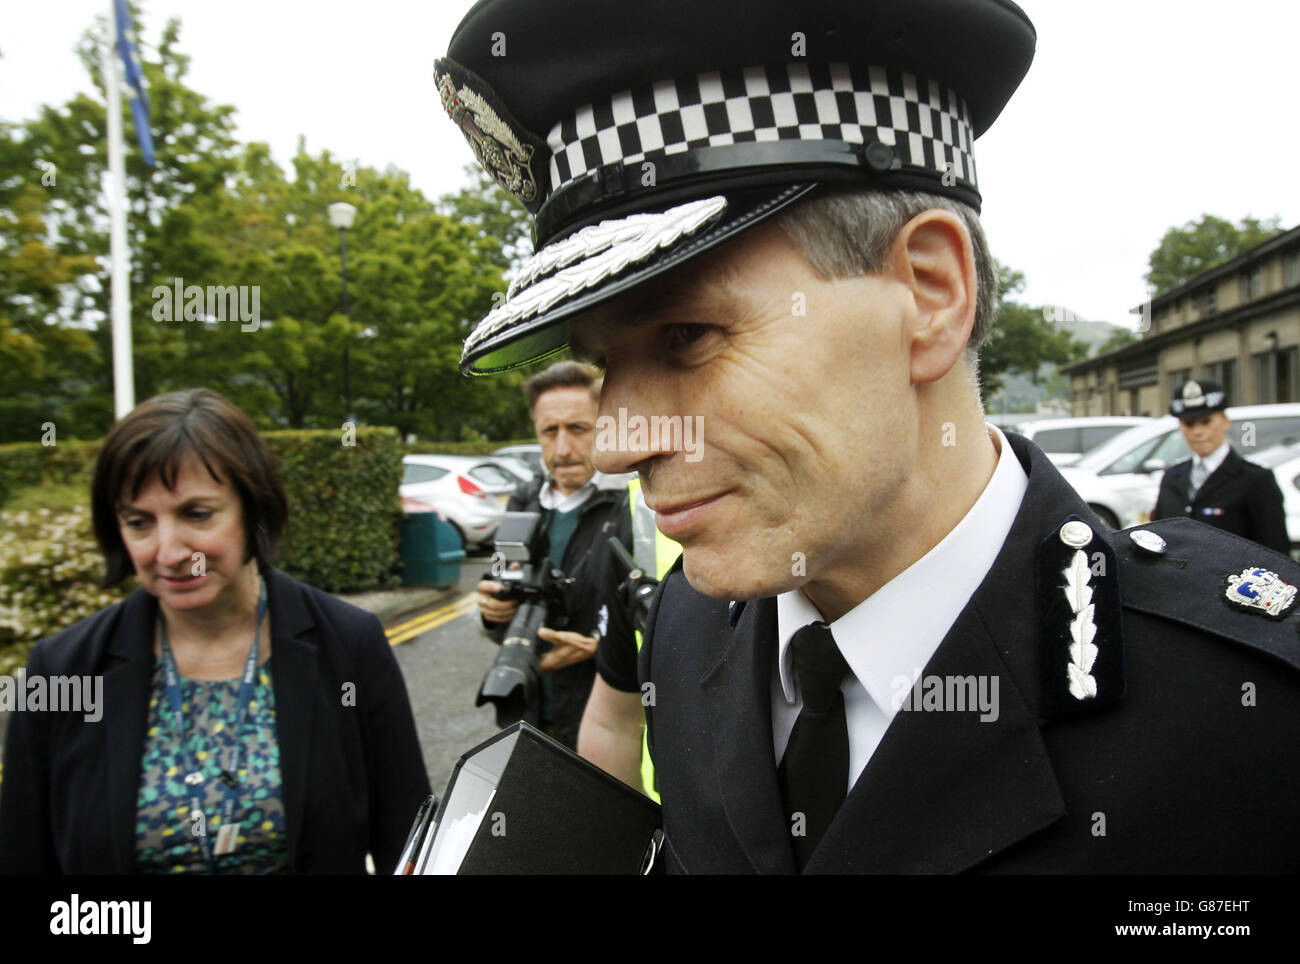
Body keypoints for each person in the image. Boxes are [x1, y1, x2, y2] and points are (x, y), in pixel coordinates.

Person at [437, 0, 1300, 872]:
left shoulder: (1245, 702)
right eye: (601, 366)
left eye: (687, 336)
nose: (619, 443)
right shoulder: (691, 631)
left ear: (929, 296)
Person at [0, 388, 430, 874]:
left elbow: (410, 845)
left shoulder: (350, 644)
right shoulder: (60, 672)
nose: (168, 551)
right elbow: (22, 858)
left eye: (196, 514)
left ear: (253, 507)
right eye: (139, 522)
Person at [475, 362, 633, 749]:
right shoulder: (524, 500)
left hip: (611, 721)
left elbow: (666, 620)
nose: (562, 449)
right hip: (530, 715)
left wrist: (604, 649)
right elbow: (500, 581)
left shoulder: (635, 503)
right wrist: (491, 613)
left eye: (578, 429)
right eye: (550, 431)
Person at [1152, 379, 1290, 554]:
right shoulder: (1172, 477)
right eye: (1189, 424)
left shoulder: (1255, 480)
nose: (1197, 432)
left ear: (1225, 422)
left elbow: (1275, 551)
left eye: (1206, 421)